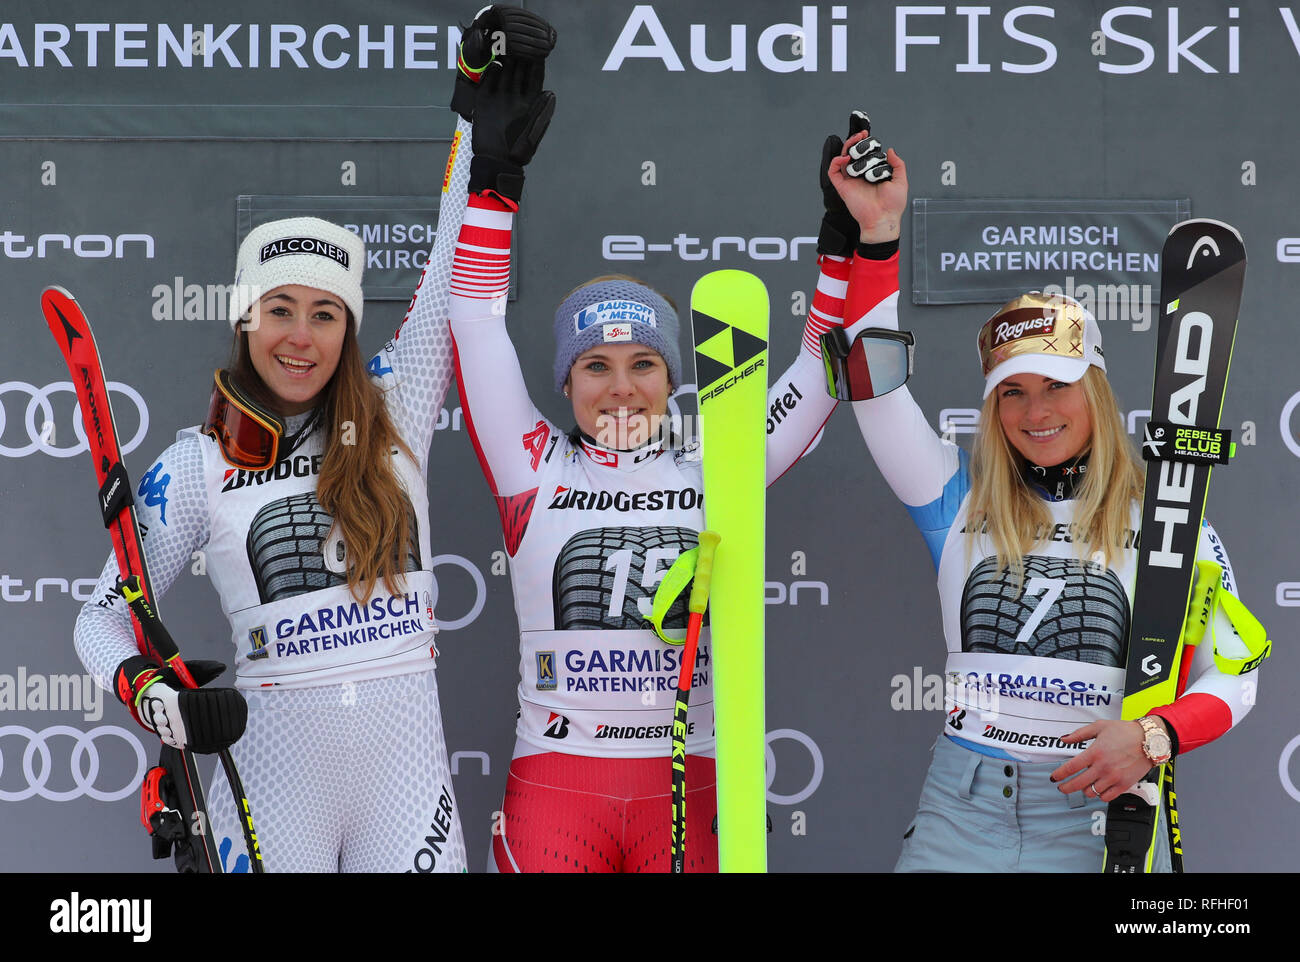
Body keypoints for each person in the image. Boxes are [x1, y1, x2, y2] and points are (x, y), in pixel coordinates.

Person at [444, 49, 856, 872]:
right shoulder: (532, 465)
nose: (622, 388)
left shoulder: (719, 463)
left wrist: (841, 243)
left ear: (675, 376)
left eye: (645, 365)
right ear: (565, 383)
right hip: (559, 791)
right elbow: (476, 320)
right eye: (596, 366)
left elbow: (819, 373)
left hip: (694, 784)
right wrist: (493, 181)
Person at [826, 125, 1264, 871]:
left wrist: (1156, 735)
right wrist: (878, 235)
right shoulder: (956, 496)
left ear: (1094, 389)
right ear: (993, 408)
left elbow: (1238, 671)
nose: (1037, 412)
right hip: (960, 807)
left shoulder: (1167, 514)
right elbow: (873, 385)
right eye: (1013, 393)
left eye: (1057, 386)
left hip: (1100, 809)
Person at [74, 215, 468, 873]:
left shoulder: (396, 405)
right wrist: (157, 698)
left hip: (407, 783)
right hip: (274, 780)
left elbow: (453, 268)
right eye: (279, 308)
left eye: (325, 314)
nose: (300, 337)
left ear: (348, 329)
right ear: (244, 319)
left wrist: (478, 146)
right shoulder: (198, 465)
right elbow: (102, 617)